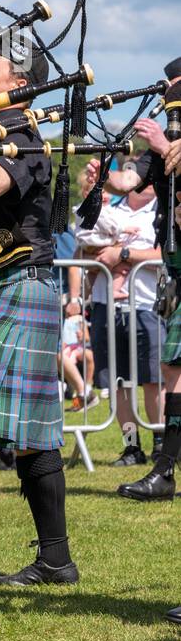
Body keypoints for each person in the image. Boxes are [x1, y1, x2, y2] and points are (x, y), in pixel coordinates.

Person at [0, 36, 77, 585]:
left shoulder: (24, 136)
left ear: (19, 84)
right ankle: (55, 559)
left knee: (4, 425)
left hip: (23, 283)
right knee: (18, 427)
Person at [110, 65, 181, 507]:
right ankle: (165, 468)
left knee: (175, 368)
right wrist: (106, 172)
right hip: (177, 261)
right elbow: (131, 182)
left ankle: (165, 469)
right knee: (174, 367)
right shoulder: (165, 149)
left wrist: (162, 142)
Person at [74, 182, 163, 467]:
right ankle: (131, 447)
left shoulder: (161, 212)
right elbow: (83, 251)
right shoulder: (109, 209)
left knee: (153, 380)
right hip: (105, 305)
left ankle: (161, 444)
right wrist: (101, 257)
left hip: (147, 306)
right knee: (117, 381)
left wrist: (122, 255)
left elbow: (164, 255)